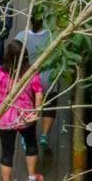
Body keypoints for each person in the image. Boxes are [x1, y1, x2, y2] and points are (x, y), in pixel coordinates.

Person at [0, 39, 44, 181]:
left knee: (7, 152)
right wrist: (36, 112)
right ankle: (32, 179)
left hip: (5, 120)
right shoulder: (31, 72)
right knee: (31, 144)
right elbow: (39, 93)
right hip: (26, 116)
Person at [17, 10, 56, 152]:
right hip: (48, 77)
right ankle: (44, 134)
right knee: (49, 107)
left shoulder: (21, 37)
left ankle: (27, 136)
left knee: (30, 107)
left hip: (29, 80)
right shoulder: (52, 36)